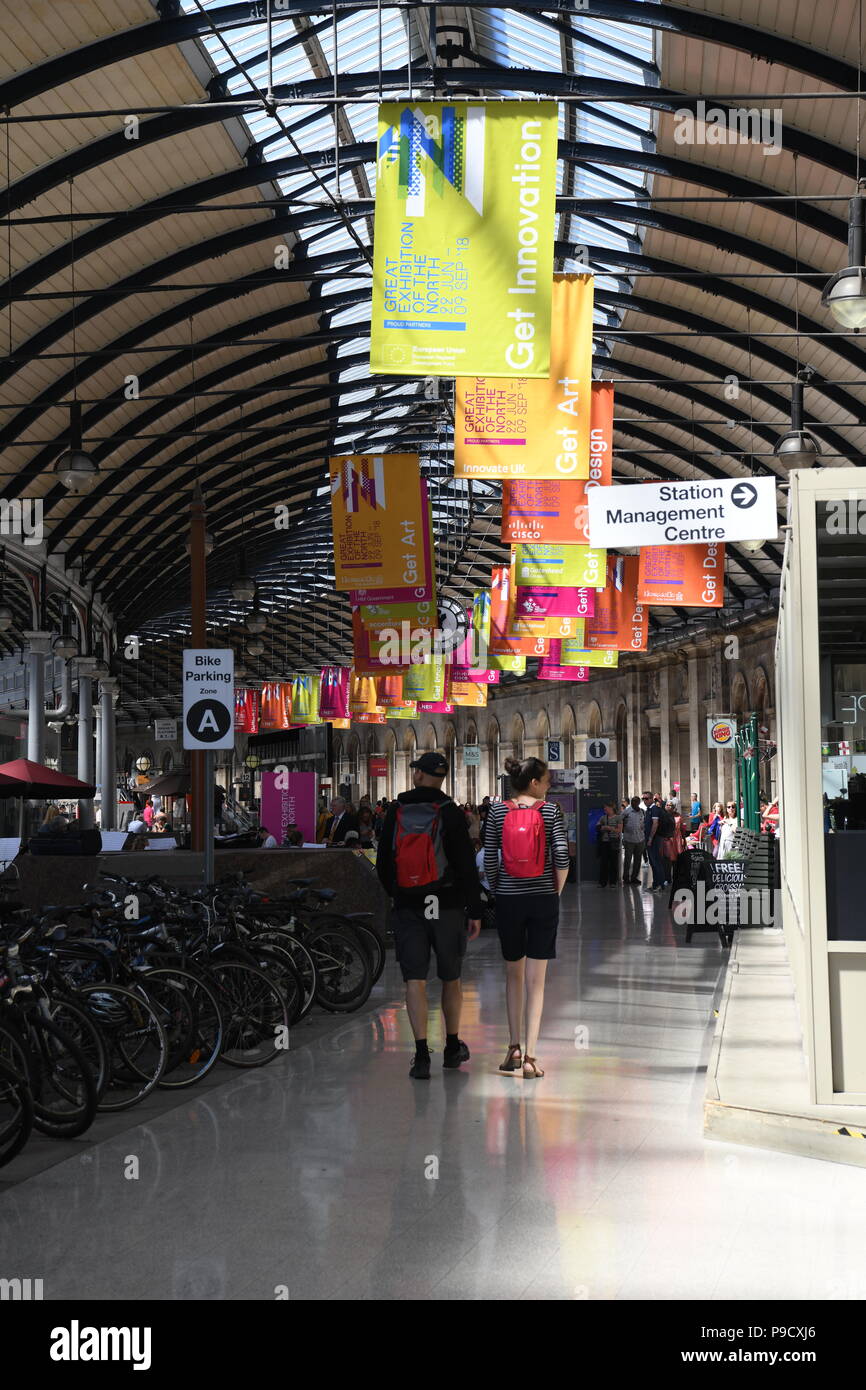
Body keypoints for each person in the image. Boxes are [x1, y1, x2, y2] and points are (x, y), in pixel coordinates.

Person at [376, 751, 482, 1080]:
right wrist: (475, 909)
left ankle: (421, 1056)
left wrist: (400, 893)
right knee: (451, 977)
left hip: (409, 905)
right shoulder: (450, 811)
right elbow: (465, 864)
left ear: (420, 775)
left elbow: (382, 863)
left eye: (415, 772)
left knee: (415, 980)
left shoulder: (396, 809)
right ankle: (452, 1046)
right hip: (446, 905)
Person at [484, 756, 570, 1081]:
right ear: (534, 782)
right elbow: (561, 855)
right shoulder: (549, 811)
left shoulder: (497, 811)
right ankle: (532, 1058)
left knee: (513, 976)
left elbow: (490, 857)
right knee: (537, 981)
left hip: (508, 900)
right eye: (547, 780)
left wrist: (499, 887)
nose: (549, 785)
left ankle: (513, 1048)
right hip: (542, 900)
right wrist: (554, 891)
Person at [645, 793, 671, 891]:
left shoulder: (654, 809)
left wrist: (651, 838)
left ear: (652, 799)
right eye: (643, 798)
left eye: (646, 798)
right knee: (653, 862)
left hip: (655, 839)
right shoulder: (649, 810)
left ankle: (660, 884)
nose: (644, 800)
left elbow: (655, 824)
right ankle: (656, 884)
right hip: (650, 839)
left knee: (656, 861)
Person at [596, 802, 622, 887]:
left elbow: (619, 830)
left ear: (611, 808)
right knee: (604, 863)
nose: (604, 810)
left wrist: (609, 828)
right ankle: (602, 882)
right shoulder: (603, 817)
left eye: (606, 808)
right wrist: (601, 827)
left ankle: (613, 882)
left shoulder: (618, 818)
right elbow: (597, 827)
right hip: (604, 842)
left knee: (613, 863)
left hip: (614, 842)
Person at [621, 796, 646, 885]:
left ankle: (634, 877)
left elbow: (644, 823)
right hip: (629, 840)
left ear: (638, 803)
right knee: (628, 860)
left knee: (638, 860)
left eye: (635, 802)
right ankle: (626, 878)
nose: (633, 803)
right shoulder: (627, 811)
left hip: (640, 839)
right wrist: (623, 830)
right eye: (632, 802)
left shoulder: (642, 812)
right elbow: (620, 821)